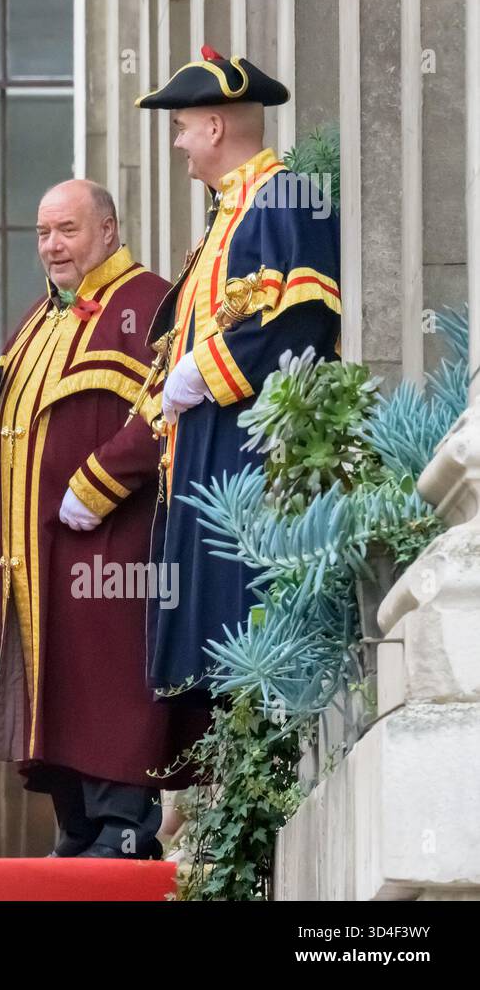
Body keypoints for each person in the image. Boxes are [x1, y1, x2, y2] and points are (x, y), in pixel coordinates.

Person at [0, 180, 203, 860]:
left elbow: (169, 408)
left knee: (107, 671)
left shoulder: (151, 302)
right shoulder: (36, 319)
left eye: (68, 230)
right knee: (45, 676)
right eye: (44, 233)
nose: (53, 245)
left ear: (107, 231)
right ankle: (77, 822)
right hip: (30, 548)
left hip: (112, 539)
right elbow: (15, 427)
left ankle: (124, 822)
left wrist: (102, 481)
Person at [134, 46, 342, 700]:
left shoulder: (283, 199)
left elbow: (298, 321)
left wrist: (204, 369)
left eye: (182, 128)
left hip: (250, 451)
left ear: (216, 128)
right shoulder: (231, 211)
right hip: (209, 446)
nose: (178, 145)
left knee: (244, 618)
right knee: (213, 645)